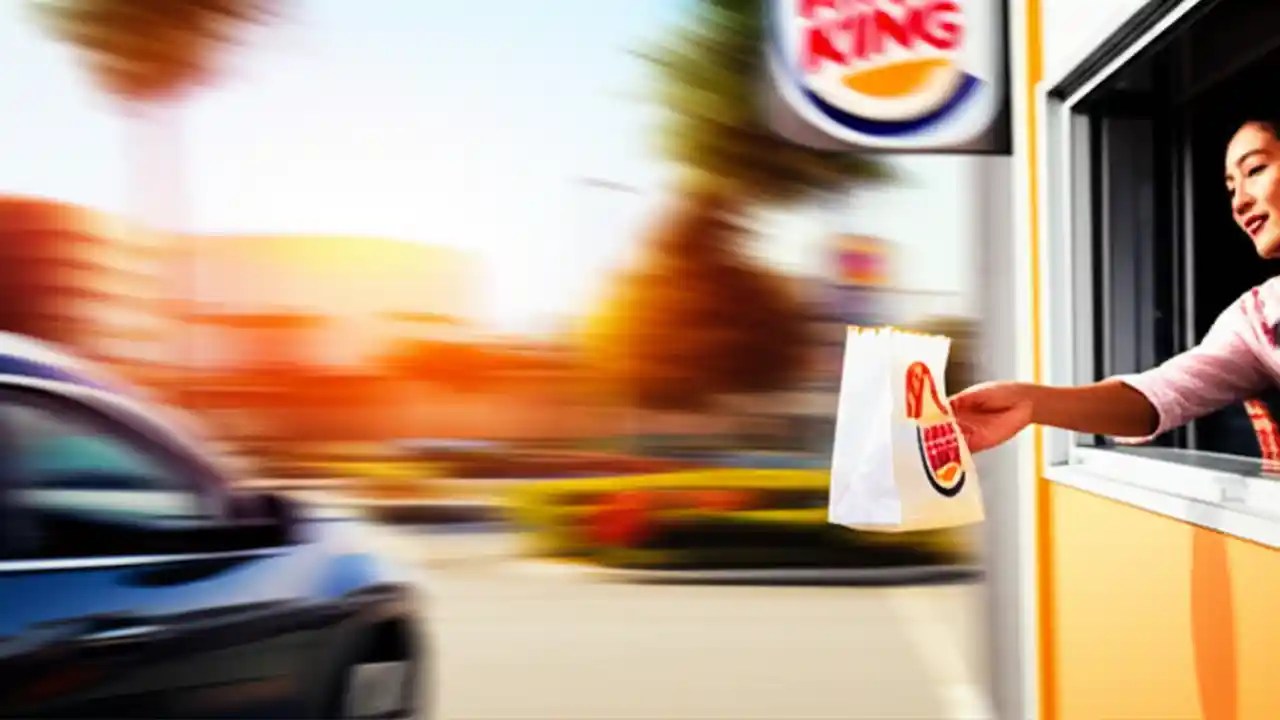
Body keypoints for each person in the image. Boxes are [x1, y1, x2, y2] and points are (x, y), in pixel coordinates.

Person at [951, 114, 1280, 454]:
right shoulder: (1258, 321)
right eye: (1230, 188)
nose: (1239, 202)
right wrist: (1030, 403)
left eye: (1255, 170)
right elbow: (1156, 396)